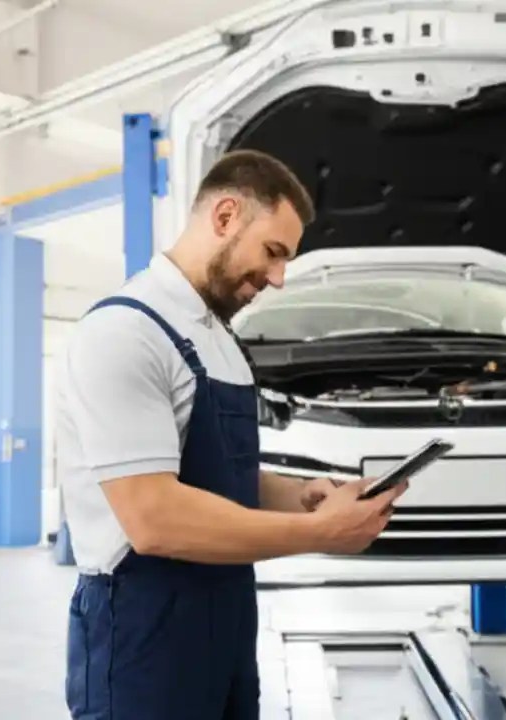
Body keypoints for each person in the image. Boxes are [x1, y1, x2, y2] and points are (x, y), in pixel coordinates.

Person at [55, 148, 406, 720]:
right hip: (142, 636)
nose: (278, 278)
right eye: (273, 253)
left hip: (227, 622)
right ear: (224, 217)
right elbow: (154, 518)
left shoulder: (220, 339)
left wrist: (301, 494)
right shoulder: (124, 333)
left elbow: (221, 471)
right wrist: (317, 532)